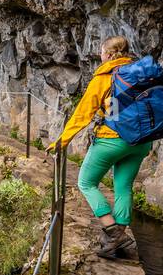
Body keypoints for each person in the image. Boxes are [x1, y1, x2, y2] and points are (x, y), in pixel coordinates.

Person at [48, 36, 150, 259]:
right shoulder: (143, 73)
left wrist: (62, 141)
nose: (100, 56)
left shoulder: (104, 77)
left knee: (86, 182)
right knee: (123, 187)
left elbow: (82, 114)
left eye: (102, 52)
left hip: (111, 140)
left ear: (109, 54)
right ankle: (117, 240)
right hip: (141, 141)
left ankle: (112, 231)